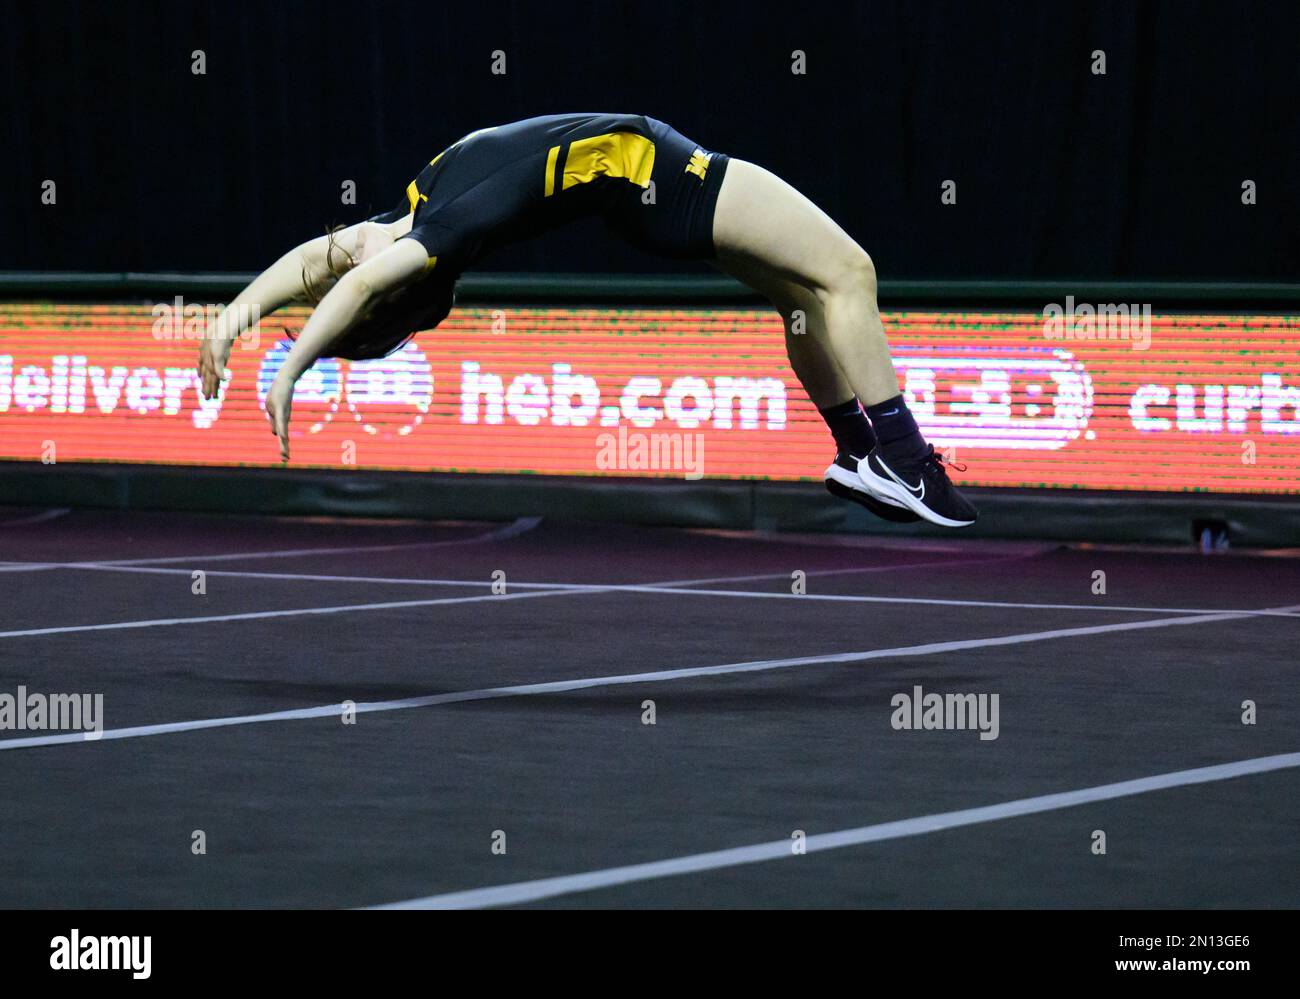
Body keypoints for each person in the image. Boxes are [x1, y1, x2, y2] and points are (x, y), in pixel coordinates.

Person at [198, 113, 976, 527]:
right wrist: (294, 362)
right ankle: (905, 459)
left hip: (644, 189)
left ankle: (855, 453)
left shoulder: (407, 212)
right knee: (849, 272)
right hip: (664, 182)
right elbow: (358, 282)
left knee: (802, 298)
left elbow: (316, 262)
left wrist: (233, 317)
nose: (339, 246)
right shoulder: (435, 234)